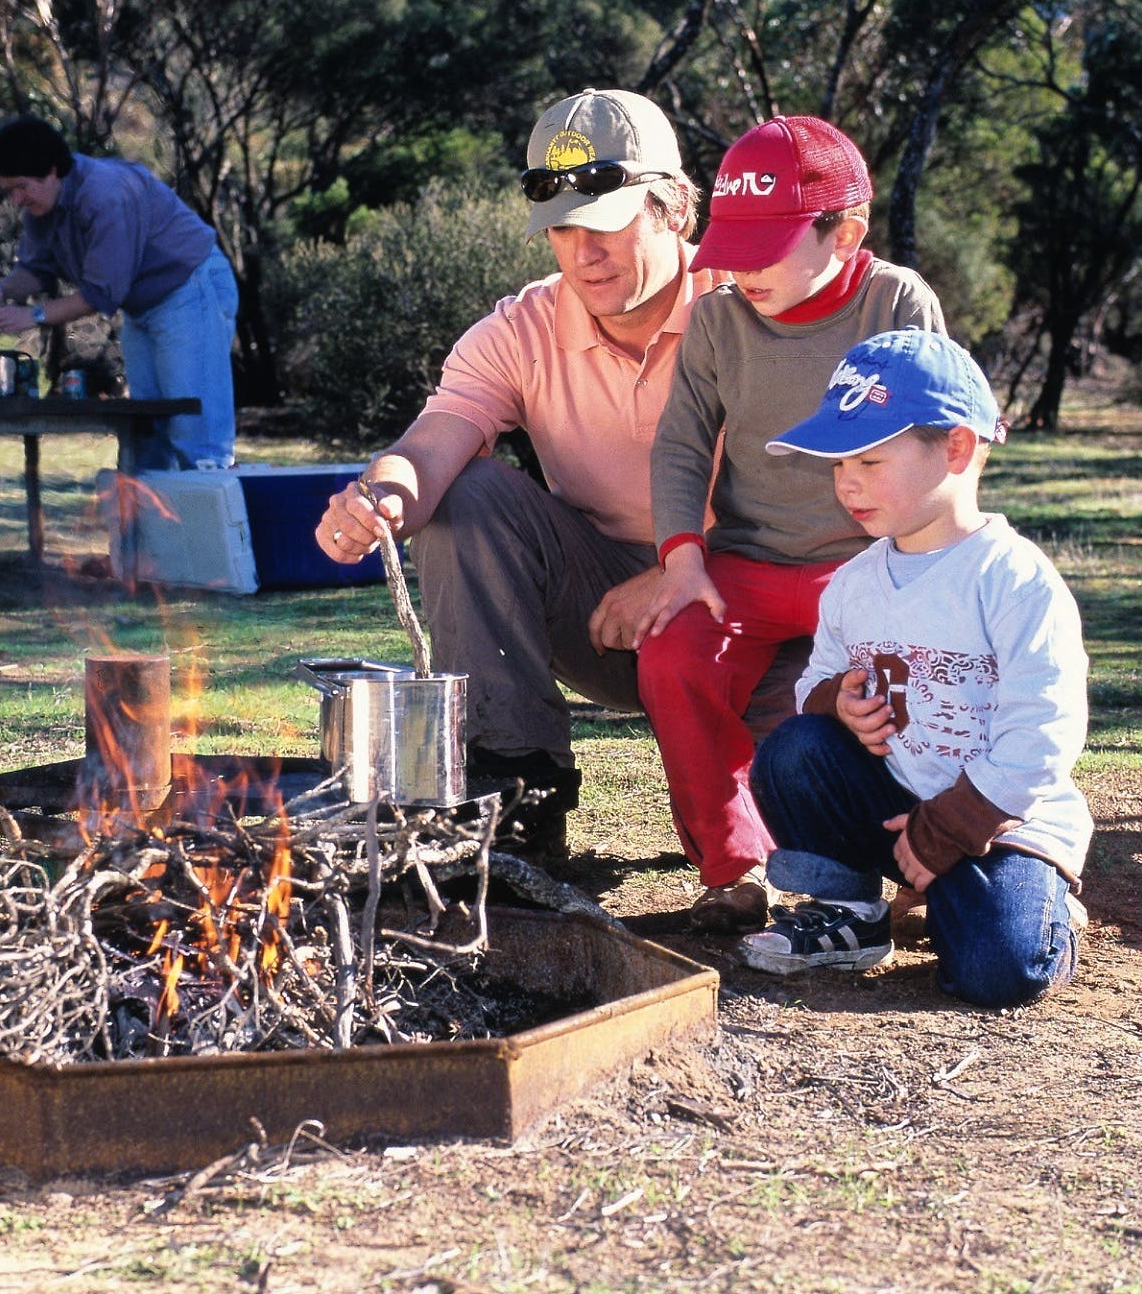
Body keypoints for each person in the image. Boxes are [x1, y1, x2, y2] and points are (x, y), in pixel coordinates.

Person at [311, 89, 806, 861]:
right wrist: (380, 498)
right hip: (604, 616)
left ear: (676, 207)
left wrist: (683, 570)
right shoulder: (521, 329)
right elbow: (434, 444)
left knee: (812, 840)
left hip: (758, 612)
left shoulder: (756, 307)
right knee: (463, 493)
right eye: (562, 228)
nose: (584, 252)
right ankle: (519, 791)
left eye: (606, 224)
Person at [638, 117, 944, 931]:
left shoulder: (896, 300)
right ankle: (732, 865)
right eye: (731, 244)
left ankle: (928, 857)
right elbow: (680, 445)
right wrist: (681, 557)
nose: (740, 268)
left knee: (917, 684)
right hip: (748, 560)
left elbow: (938, 445)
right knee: (672, 654)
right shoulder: (717, 319)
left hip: (872, 562)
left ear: (844, 233)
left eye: (765, 245)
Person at [740, 329, 1090, 1007]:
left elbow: (1045, 731)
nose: (848, 482)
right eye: (838, 464)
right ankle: (852, 913)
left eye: (869, 460)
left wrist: (950, 831)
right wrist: (835, 704)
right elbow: (815, 681)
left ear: (956, 447)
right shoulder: (853, 582)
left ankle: (1051, 919)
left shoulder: (1013, 579)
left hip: (999, 821)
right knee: (792, 750)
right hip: (894, 803)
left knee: (998, 973)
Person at [0, 116, 238, 470]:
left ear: (52, 172)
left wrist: (32, 316)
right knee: (148, 431)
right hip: (143, 307)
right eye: (8, 190)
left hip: (190, 287)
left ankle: (214, 522)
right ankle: (155, 524)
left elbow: (100, 296)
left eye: (21, 187)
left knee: (195, 431)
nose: (16, 200)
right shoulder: (42, 206)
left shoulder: (105, 195)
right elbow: (36, 271)